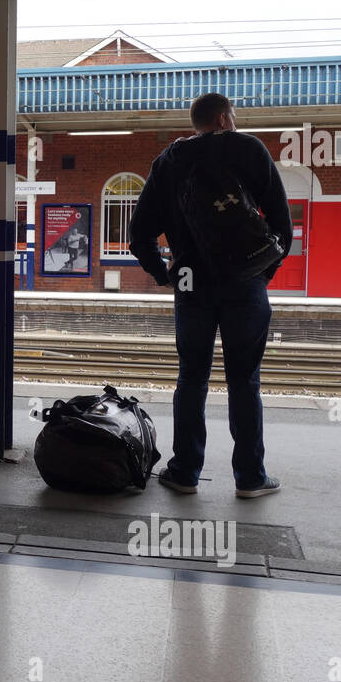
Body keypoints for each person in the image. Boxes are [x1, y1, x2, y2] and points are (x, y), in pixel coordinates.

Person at [129, 92, 292, 498]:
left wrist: (165, 274)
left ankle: (184, 472)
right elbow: (282, 227)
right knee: (244, 381)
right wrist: (261, 272)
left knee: (192, 378)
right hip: (245, 284)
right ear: (223, 118)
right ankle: (251, 478)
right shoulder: (249, 148)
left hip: (190, 283)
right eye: (233, 116)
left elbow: (139, 235)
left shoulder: (169, 160)